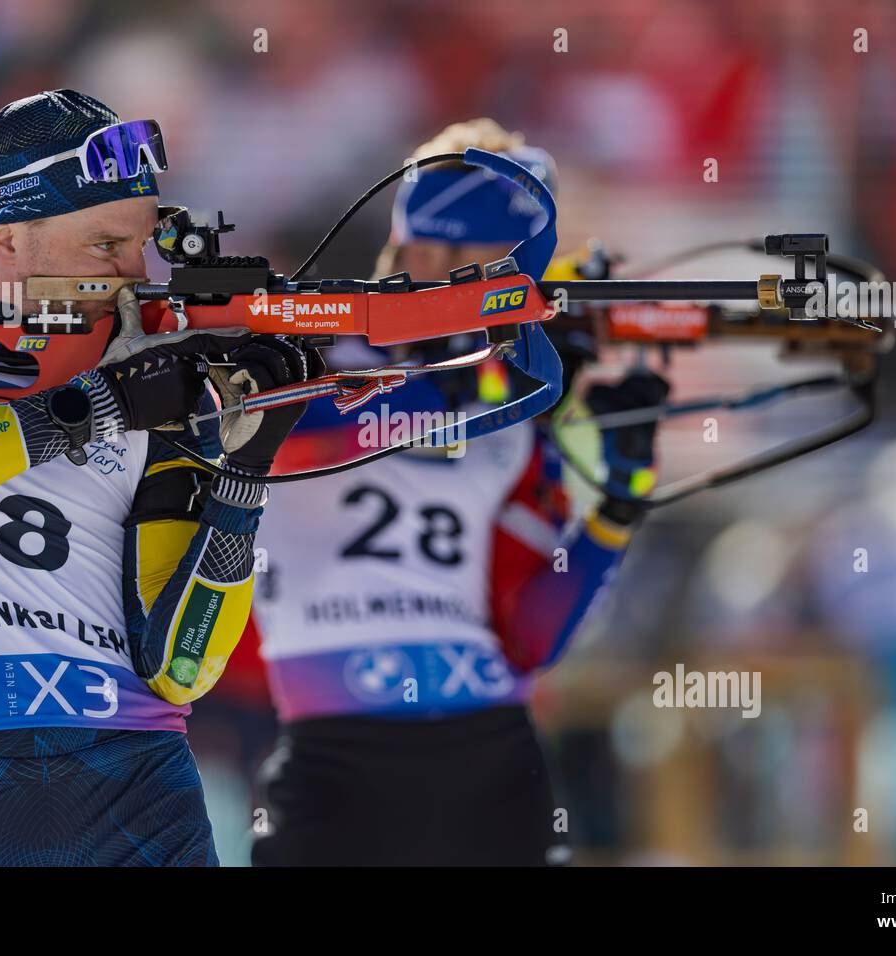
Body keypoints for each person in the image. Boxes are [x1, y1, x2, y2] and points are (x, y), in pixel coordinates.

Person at [0, 89, 313, 866]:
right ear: (7, 235)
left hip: (143, 791)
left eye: (143, 245)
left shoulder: (146, 363)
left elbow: (183, 669)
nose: (133, 273)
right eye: (105, 245)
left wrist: (242, 479)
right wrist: (95, 407)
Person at [247, 119, 669, 866]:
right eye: (498, 275)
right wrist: (464, 387)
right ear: (421, 252)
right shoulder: (305, 354)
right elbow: (277, 444)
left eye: (521, 281)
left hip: (491, 759)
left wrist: (618, 509)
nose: (513, 300)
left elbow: (531, 638)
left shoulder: (513, 404)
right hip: (334, 761)